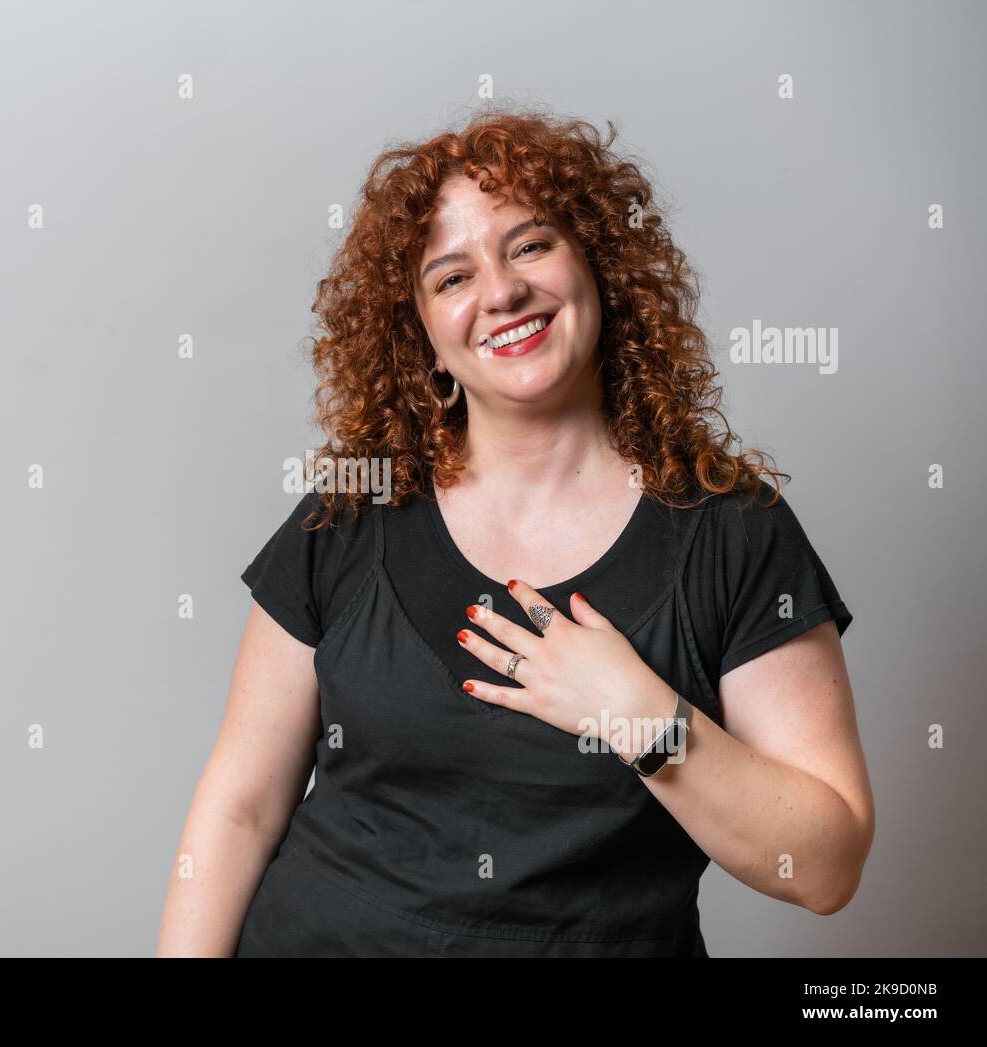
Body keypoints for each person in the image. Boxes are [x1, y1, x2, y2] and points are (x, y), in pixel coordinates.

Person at [156, 107, 874, 958]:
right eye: (451, 277)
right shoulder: (350, 513)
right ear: (419, 334)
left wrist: (639, 714)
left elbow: (825, 865)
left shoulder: (732, 533)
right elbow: (240, 806)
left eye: (530, 244)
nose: (500, 291)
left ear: (598, 266)